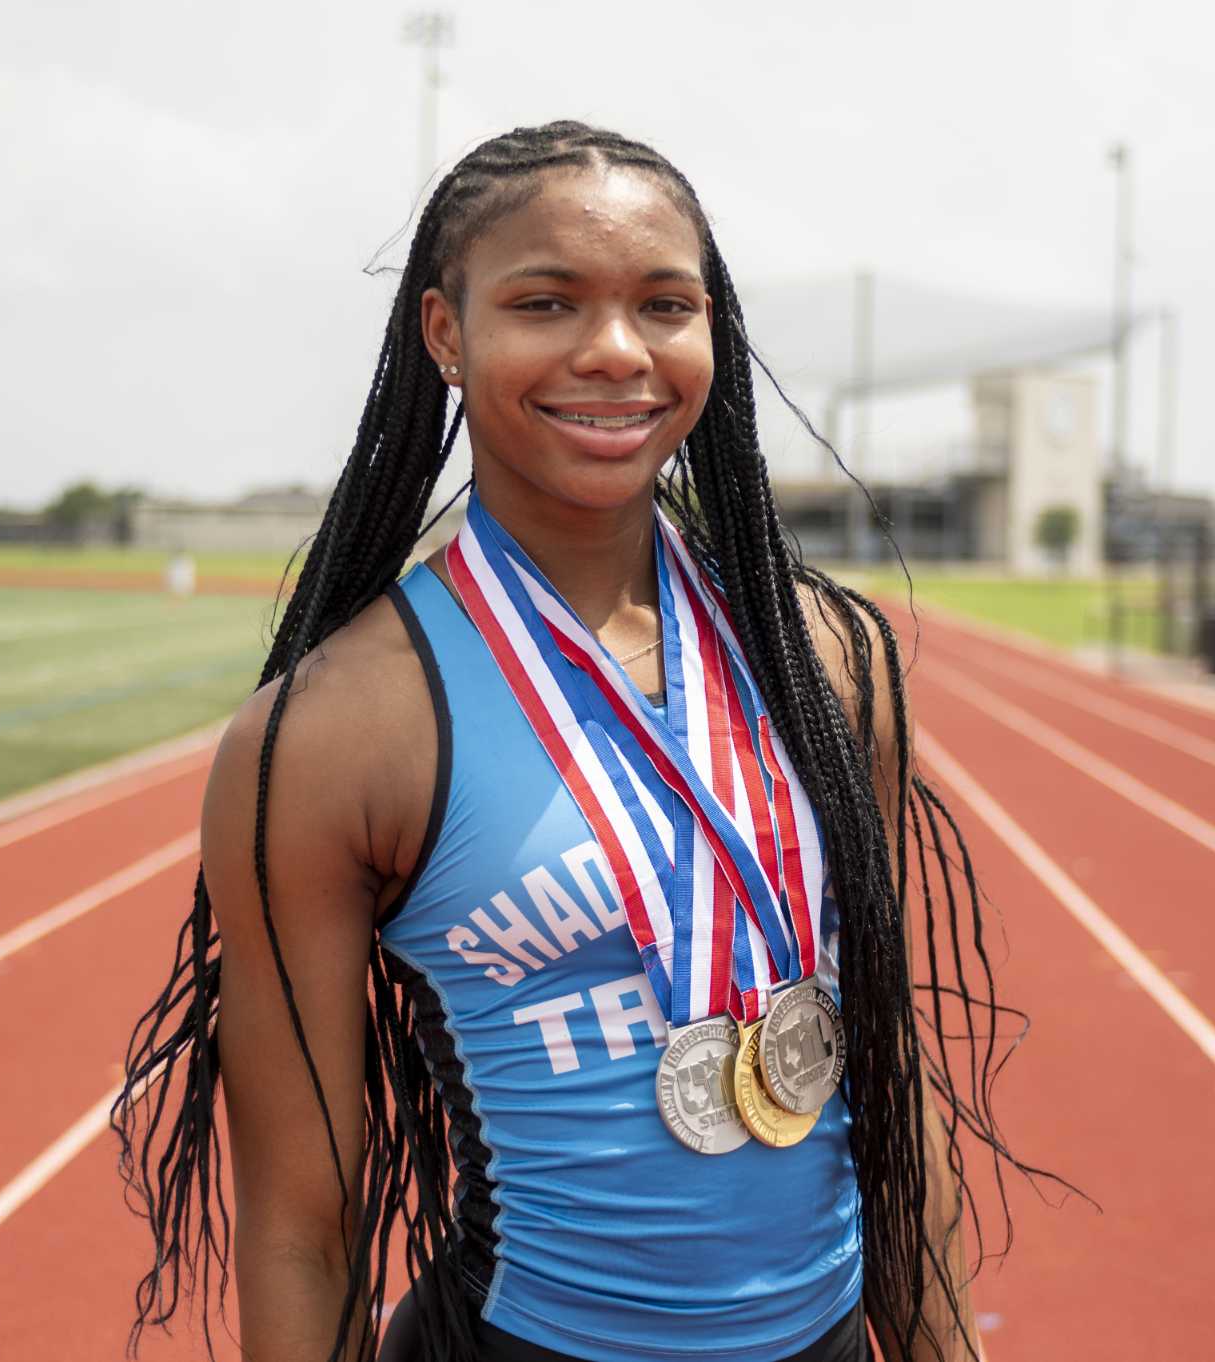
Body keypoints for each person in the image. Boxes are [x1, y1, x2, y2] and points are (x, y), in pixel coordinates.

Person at [116, 120, 1037, 1362]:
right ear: (445, 333)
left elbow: (888, 1075)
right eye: (545, 303)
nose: (614, 351)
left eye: (665, 304)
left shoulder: (825, 658)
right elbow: (302, 1225)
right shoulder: (332, 735)